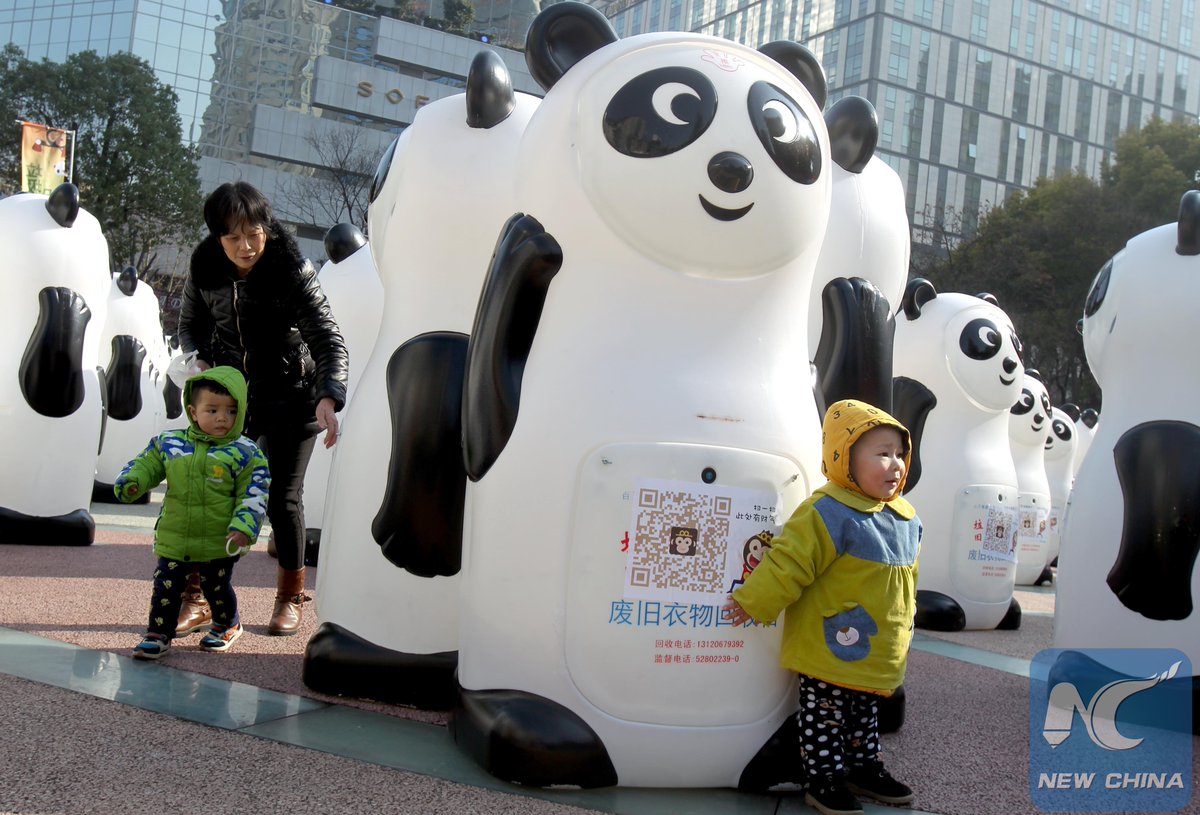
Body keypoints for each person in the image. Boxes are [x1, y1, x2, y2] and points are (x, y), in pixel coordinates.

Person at [724, 399, 921, 815]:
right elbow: (790, 560)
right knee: (825, 715)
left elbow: (907, 583)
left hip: (878, 650)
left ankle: (863, 766)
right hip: (830, 644)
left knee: (865, 713)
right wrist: (755, 601)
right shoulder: (828, 511)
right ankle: (824, 778)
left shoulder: (905, 516)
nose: (896, 464)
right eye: (881, 453)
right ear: (845, 458)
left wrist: (906, 631)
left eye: (900, 453)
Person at [178, 181, 348, 636]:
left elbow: (326, 336)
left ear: (266, 228)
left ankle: (289, 597)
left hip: (292, 396)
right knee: (213, 496)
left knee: (281, 500)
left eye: (254, 232)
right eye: (233, 237)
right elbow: (190, 324)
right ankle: (199, 598)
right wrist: (198, 357)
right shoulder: (205, 267)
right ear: (217, 238)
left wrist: (329, 393)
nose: (246, 245)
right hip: (232, 401)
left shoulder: (292, 267)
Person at [116, 367, 270, 659]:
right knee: (166, 587)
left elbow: (255, 492)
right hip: (177, 534)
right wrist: (133, 481)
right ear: (193, 411)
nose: (223, 418)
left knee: (216, 586)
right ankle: (158, 633)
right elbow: (146, 464)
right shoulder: (171, 443)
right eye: (212, 410)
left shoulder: (246, 452)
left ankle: (227, 623)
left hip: (220, 537)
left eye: (232, 411)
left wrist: (245, 526)